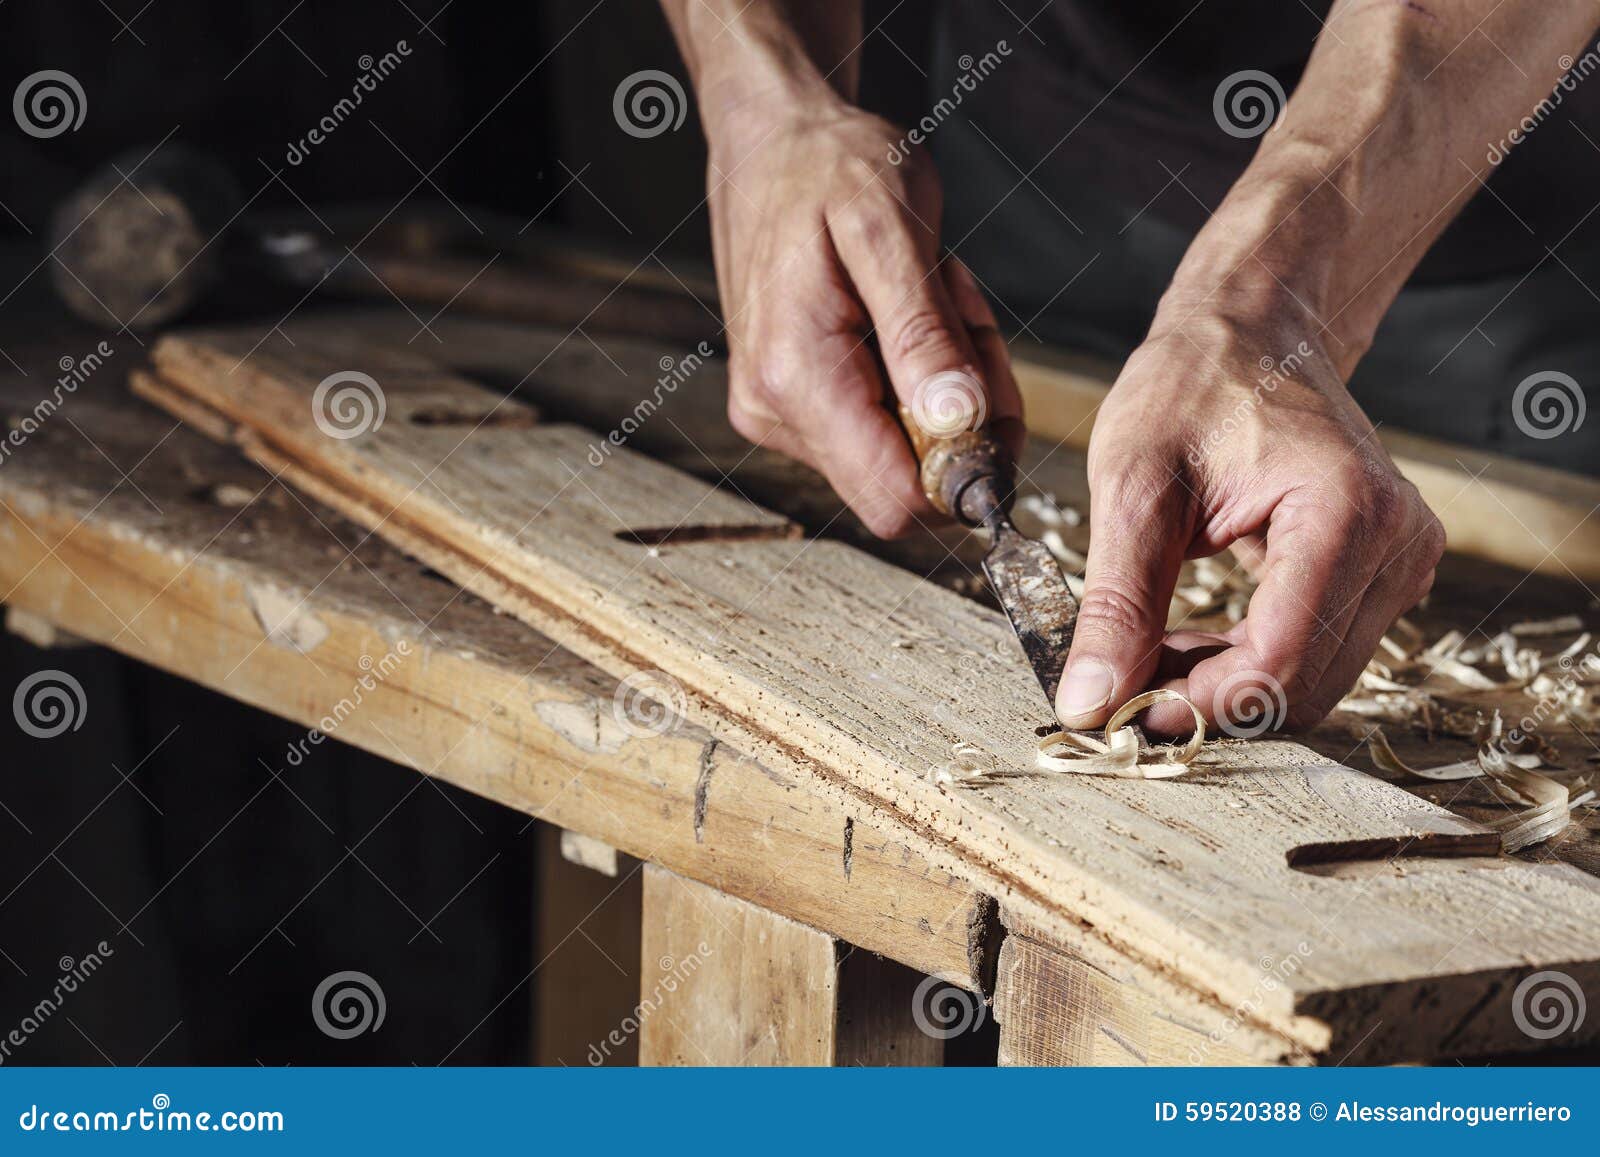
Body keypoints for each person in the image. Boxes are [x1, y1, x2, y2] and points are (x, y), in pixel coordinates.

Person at [660, 0, 1600, 734]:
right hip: (1043, 161)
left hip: (1479, 214)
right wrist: (767, 102)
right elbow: (766, 92)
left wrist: (1266, 300)